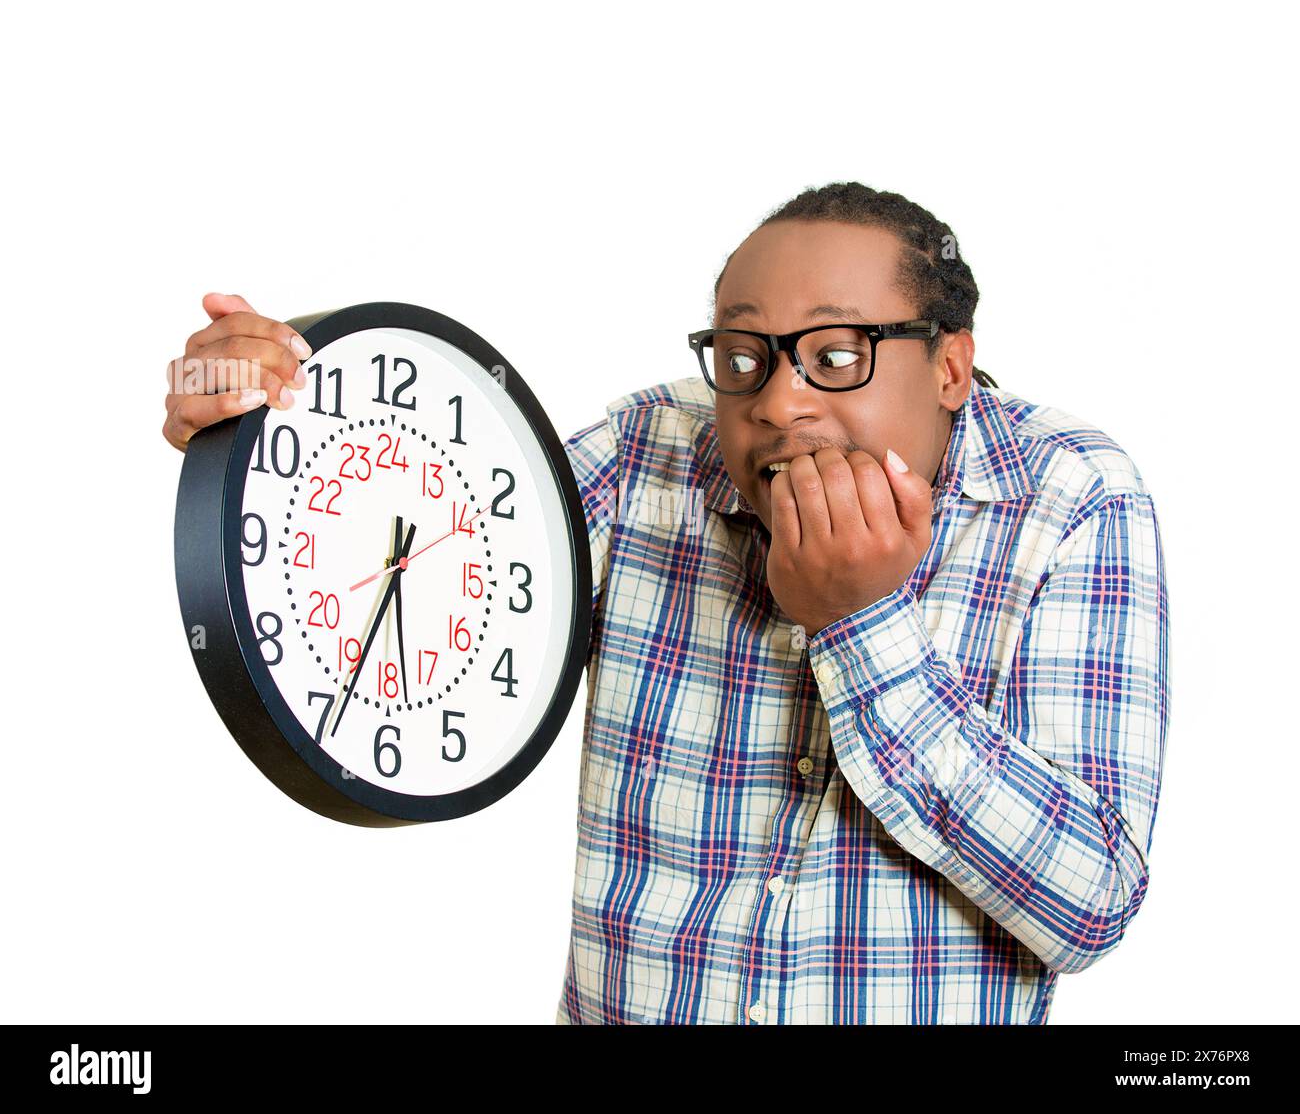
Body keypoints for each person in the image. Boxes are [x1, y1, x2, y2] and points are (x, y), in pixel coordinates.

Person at [162, 182, 1170, 1024]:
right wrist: (266, 406)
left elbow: (1087, 907)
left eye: (834, 356)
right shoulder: (646, 455)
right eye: (743, 358)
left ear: (948, 365)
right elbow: (434, 555)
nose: (778, 402)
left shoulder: (1074, 499)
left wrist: (860, 625)